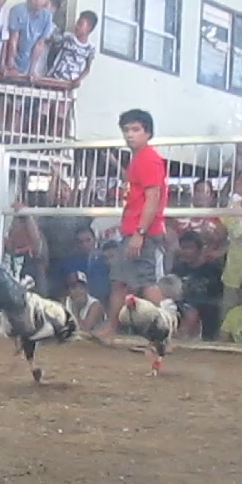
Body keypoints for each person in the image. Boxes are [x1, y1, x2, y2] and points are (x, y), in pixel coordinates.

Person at [94, 109, 167, 342]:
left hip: (141, 232)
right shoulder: (140, 159)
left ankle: (161, 334)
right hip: (135, 231)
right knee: (121, 281)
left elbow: (152, 198)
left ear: (148, 132)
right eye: (126, 130)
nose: (130, 135)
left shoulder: (148, 158)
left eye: (135, 130)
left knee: (145, 283)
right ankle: (113, 328)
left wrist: (140, 233)